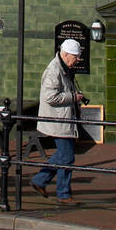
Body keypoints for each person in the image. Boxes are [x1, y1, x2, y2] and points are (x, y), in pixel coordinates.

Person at [30, 38, 87, 205]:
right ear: (66, 54)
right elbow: (50, 97)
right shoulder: (54, 70)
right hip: (58, 120)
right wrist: (73, 97)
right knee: (67, 157)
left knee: (63, 155)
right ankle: (62, 194)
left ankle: (41, 181)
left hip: (62, 119)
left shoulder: (63, 68)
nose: (77, 60)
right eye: (75, 56)